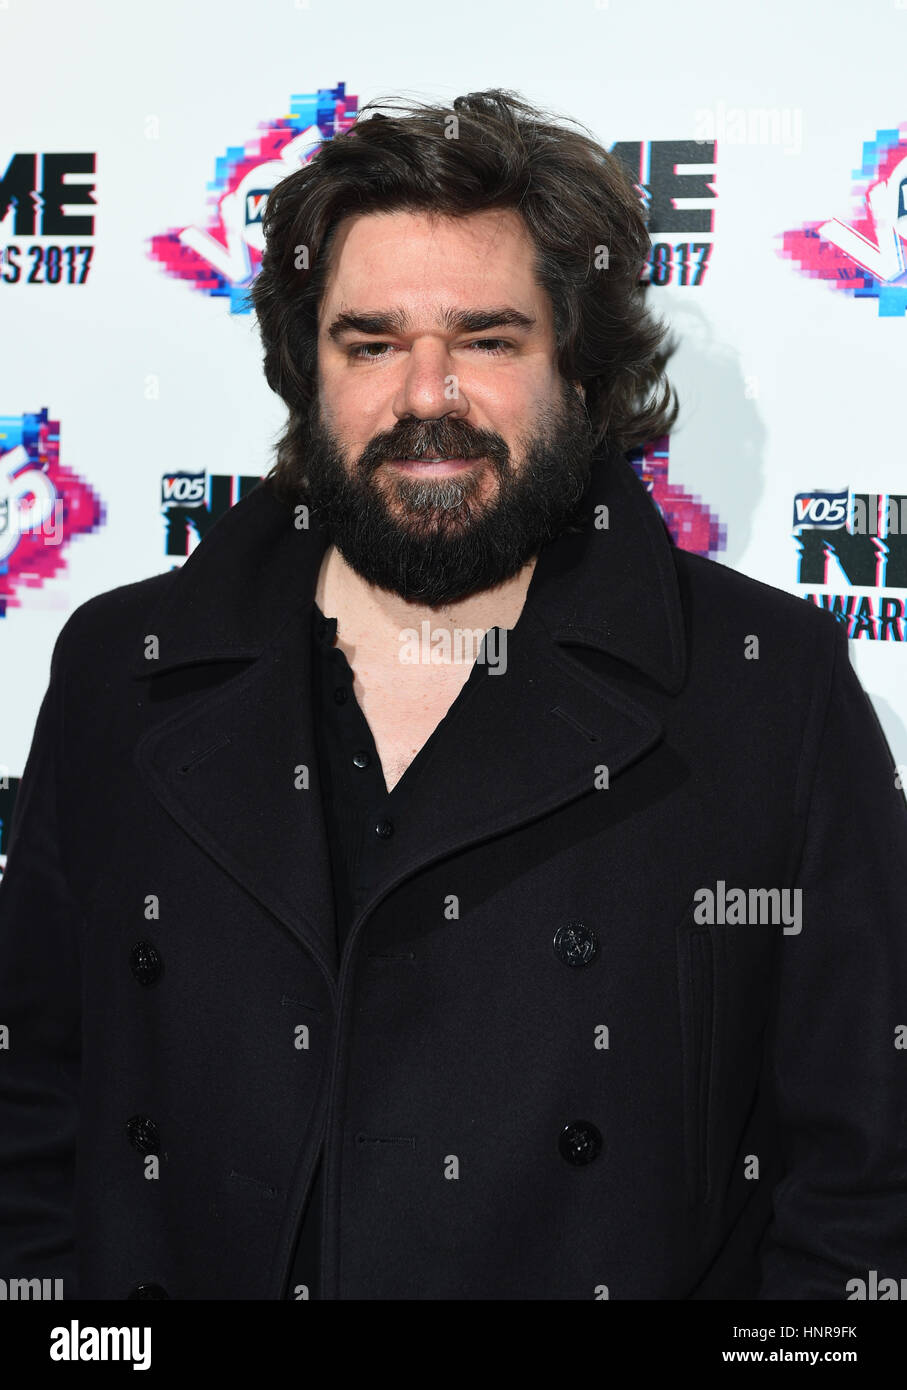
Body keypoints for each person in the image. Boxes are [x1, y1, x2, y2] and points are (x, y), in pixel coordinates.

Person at [1, 89, 905, 1301]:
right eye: (370, 344)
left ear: (579, 375)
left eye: (486, 340)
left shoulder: (761, 690)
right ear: (302, 371)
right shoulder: (126, 667)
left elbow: (862, 1171)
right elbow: (30, 1110)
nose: (426, 395)